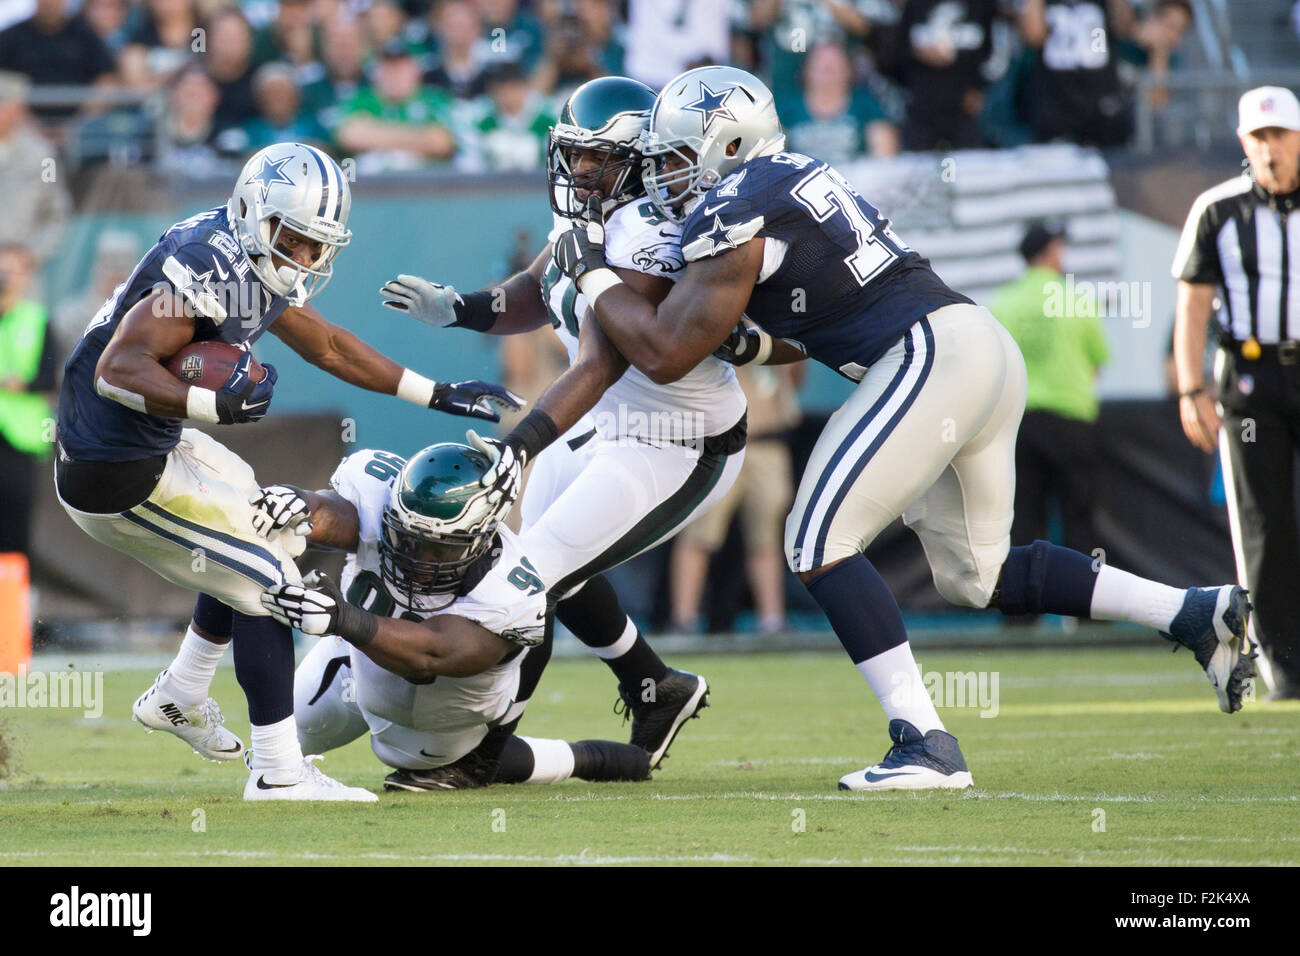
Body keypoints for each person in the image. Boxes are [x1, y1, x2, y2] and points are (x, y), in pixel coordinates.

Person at [553, 65, 1255, 793]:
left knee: (815, 540)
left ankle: (925, 742)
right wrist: (746, 345)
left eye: (673, 157)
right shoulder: (789, 178)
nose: (665, 175)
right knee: (975, 575)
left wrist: (589, 274)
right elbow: (811, 321)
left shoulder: (733, 204)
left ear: (727, 146)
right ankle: (1191, 611)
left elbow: (665, 353)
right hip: (972, 348)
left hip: (927, 356)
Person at [53, 142, 520, 802]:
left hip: (152, 444)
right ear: (253, 213)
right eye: (292, 239)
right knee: (272, 582)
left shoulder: (250, 257)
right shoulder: (209, 263)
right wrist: (207, 400)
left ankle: (182, 692)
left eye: (314, 246)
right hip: (113, 466)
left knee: (274, 519)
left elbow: (329, 346)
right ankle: (277, 772)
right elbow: (117, 368)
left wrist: (438, 392)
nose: (301, 258)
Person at [379, 77, 747, 772]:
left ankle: (480, 755)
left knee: (526, 584)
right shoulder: (595, 213)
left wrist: (521, 446)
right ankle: (655, 687)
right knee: (542, 567)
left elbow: (601, 362)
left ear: (644, 159)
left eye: (596, 158)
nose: (579, 170)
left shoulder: (648, 231)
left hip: (677, 444)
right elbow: (541, 289)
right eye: (571, 154)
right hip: (610, 429)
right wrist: (460, 307)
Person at [257, 443, 652, 790]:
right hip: (356, 668)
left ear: (480, 539)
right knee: (273, 749)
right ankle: (579, 758)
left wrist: (343, 618)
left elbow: (432, 654)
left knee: (438, 762)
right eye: (407, 537)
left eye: (437, 548)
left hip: (435, 731)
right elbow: (331, 513)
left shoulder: (509, 589)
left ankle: (577, 758)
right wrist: (297, 506)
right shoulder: (381, 498)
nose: (416, 556)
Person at [1172, 86, 1300, 701]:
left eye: (1279, 136)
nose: (1270, 149)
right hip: (1250, 379)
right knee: (1264, 524)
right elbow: (1193, 303)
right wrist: (1190, 386)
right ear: (1244, 144)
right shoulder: (1218, 210)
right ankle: (1284, 665)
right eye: (1258, 138)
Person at [989, 221, 1108, 556]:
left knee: (1023, 516)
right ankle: (1081, 604)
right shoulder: (1075, 299)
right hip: (1071, 420)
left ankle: (1021, 607)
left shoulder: (1003, 303)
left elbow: (994, 365)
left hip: (1020, 423)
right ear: (1051, 252)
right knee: (1078, 517)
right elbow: (1096, 363)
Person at [670, 363, 800, 635]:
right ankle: (683, 621)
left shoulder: (773, 325)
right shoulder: (716, 322)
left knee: (766, 537)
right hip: (718, 444)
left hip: (767, 441)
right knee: (699, 536)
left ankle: (772, 620)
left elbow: (796, 374)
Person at [0, 243, 57, 559]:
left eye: (12, 271)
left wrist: (19, 383)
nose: (5, 278)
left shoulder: (37, 320)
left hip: (19, 440)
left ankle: (14, 603)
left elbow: (50, 377)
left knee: (15, 528)